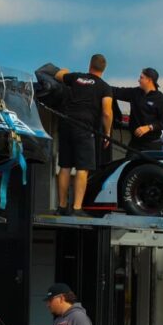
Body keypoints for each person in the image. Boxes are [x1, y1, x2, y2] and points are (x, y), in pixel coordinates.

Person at [53, 56, 113, 216]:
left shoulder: (76, 77)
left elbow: (58, 75)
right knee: (83, 168)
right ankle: (77, 208)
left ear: (90, 65)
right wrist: (107, 132)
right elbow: (107, 113)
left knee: (65, 166)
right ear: (104, 69)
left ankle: (62, 206)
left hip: (66, 124)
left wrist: (65, 70)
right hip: (85, 128)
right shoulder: (104, 87)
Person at [111, 68, 163, 154]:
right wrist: (99, 85)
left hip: (152, 146)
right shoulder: (135, 93)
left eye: (141, 77)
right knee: (129, 163)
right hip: (134, 144)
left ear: (149, 80)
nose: (138, 80)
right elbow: (116, 91)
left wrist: (149, 127)